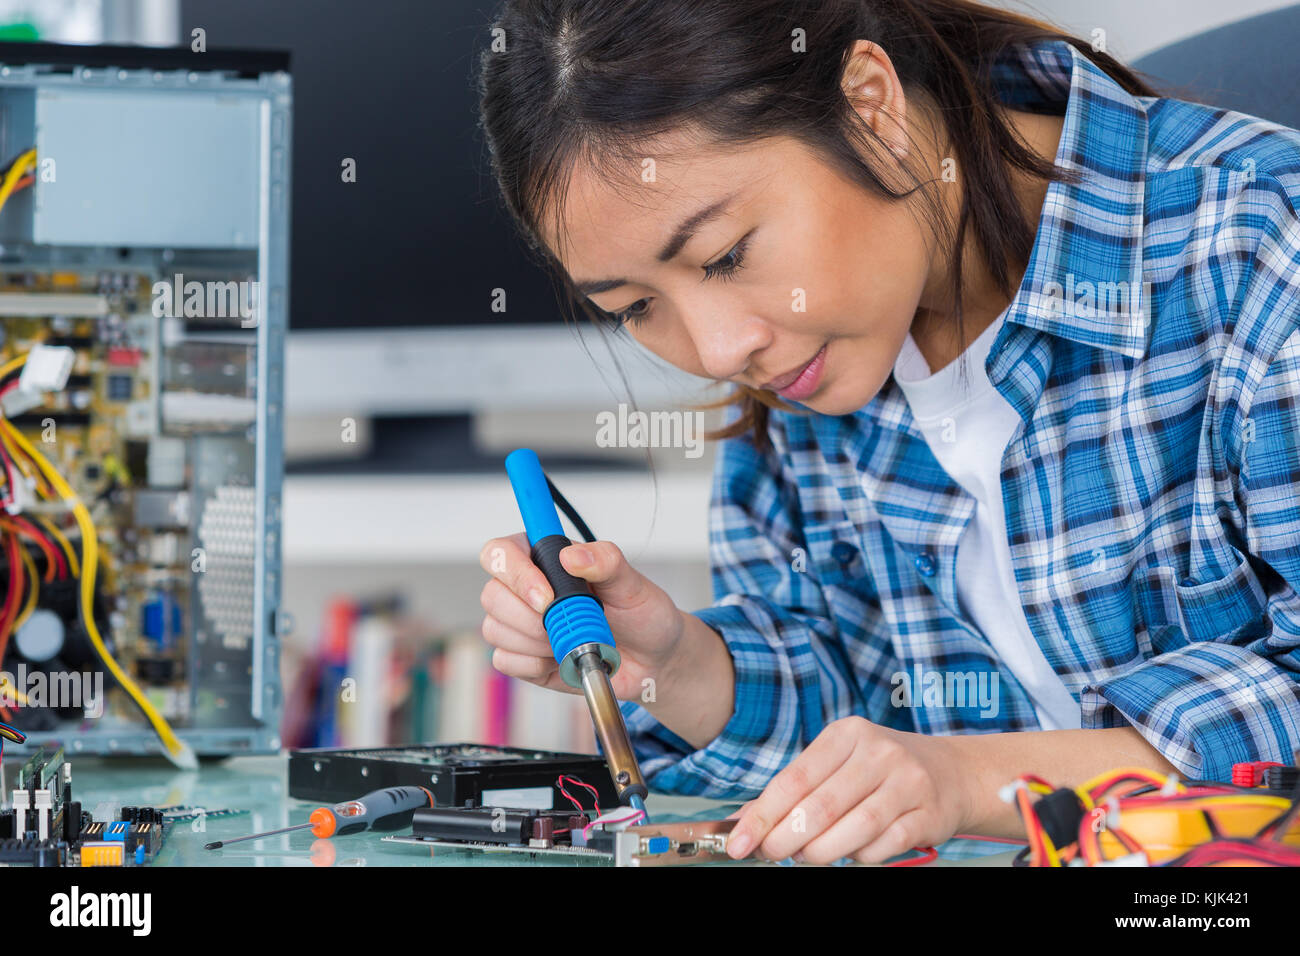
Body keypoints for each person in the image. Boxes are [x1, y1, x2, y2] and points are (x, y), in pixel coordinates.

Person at [475, 0, 1300, 863]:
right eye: (636, 308)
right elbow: (859, 728)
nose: (720, 349)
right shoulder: (804, 382)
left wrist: (966, 784)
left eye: (725, 255)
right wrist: (676, 664)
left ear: (871, 105)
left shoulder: (1262, 248)